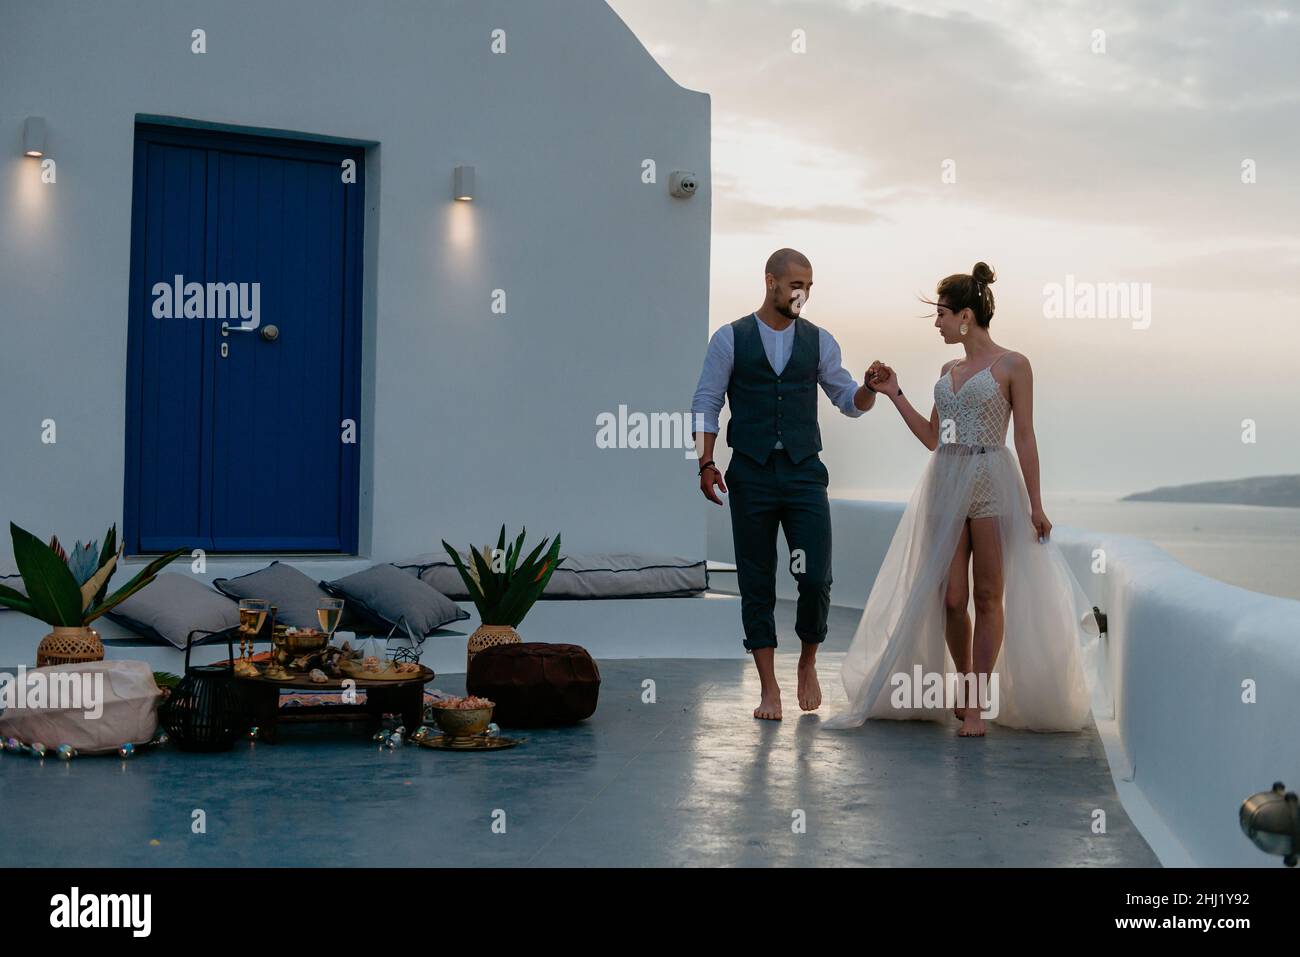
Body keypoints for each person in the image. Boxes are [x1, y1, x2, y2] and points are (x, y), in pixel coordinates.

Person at [824, 262, 1096, 737]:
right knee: (952, 599)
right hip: (946, 478)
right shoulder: (948, 369)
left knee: (989, 594)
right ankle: (966, 684)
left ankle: (974, 702)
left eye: (943, 314)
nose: (938, 324)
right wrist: (893, 393)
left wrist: (1036, 504)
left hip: (991, 476)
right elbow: (933, 437)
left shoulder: (1013, 364)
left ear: (966, 316)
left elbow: (1026, 437)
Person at [691, 248, 877, 721]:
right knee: (757, 582)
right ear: (770, 281)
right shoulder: (730, 339)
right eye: (796, 284)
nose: (803, 293)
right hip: (749, 474)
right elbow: (707, 403)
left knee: (816, 577)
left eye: (809, 286)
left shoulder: (819, 341)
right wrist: (706, 461)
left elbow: (848, 402)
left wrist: (871, 389)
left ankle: (808, 662)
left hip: (803, 473)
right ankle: (768, 688)